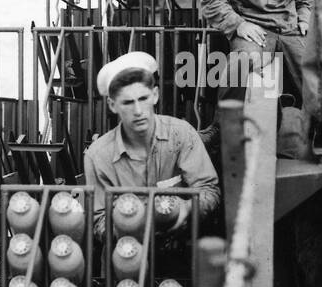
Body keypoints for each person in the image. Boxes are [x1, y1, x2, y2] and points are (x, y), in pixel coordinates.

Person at [83, 52, 221, 239]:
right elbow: (98, 220)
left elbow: (209, 190)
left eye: (143, 99)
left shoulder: (181, 134)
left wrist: (185, 209)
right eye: (128, 103)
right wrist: (133, 224)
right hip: (127, 255)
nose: (138, 111)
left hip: (179, 250)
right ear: (112, 105)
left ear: (155, 95)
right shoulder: (97, 156)